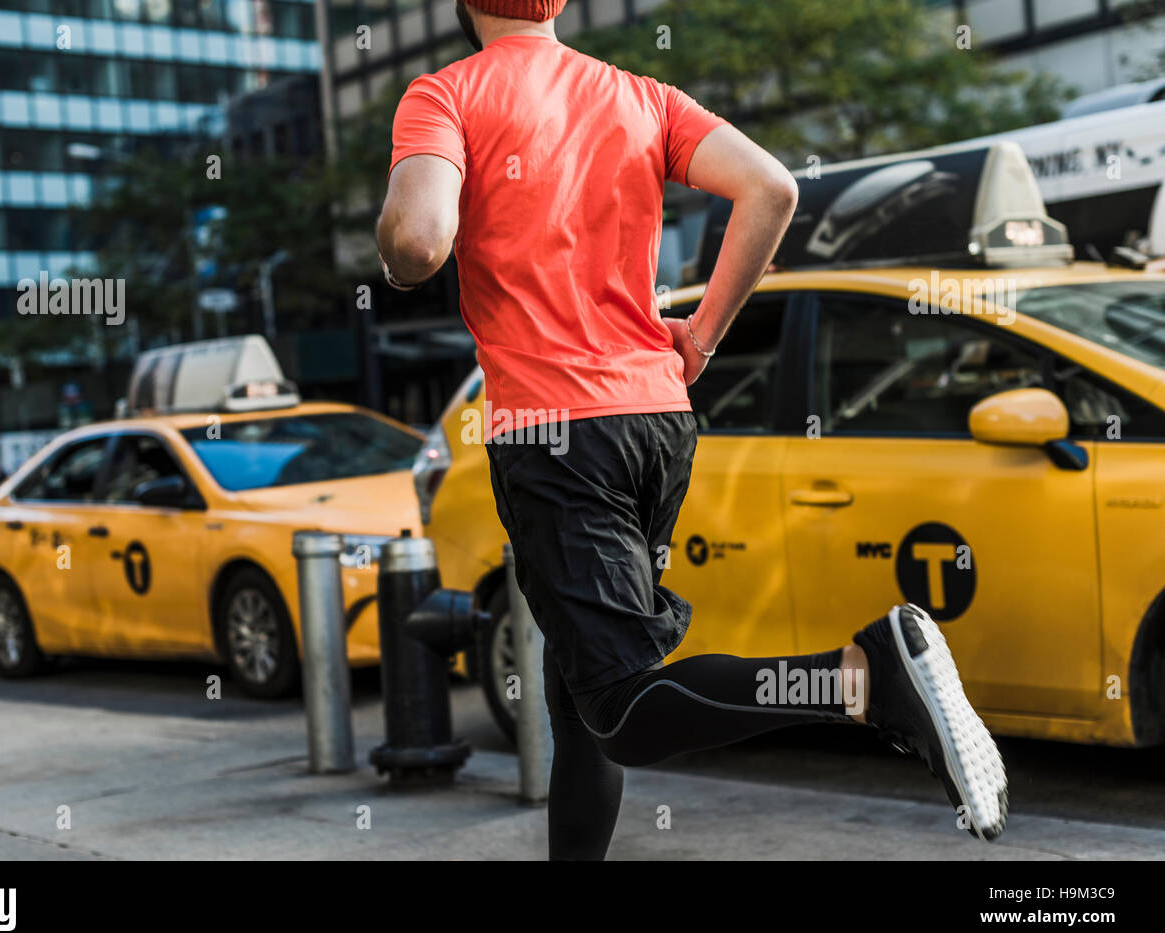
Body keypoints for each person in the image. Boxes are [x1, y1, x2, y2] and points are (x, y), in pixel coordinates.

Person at [376, 0, 1008, 860]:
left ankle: (861, 676)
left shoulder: (444, 95)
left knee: (624, 711)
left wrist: (395, 243)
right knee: (578, 698)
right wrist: (700, 336)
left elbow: (418, 240)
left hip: (556, 437)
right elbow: (772, 187)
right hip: (657, 420)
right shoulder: (640, 95)